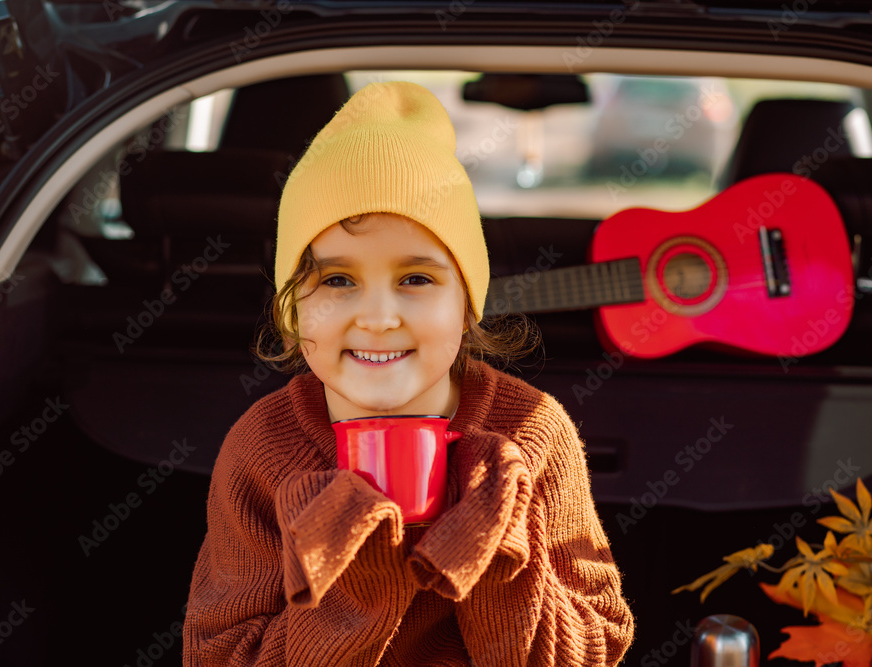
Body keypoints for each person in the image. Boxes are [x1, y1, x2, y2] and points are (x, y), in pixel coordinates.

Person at [182, 79, 635, 666]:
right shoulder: (262, 449)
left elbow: (599, 648)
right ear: (292, 309)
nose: (377, 317)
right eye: (337, 280)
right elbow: (218, 657)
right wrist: (354, 588)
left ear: (467, 303)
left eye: (416, 279)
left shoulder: (530, 435)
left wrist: (499, 566)